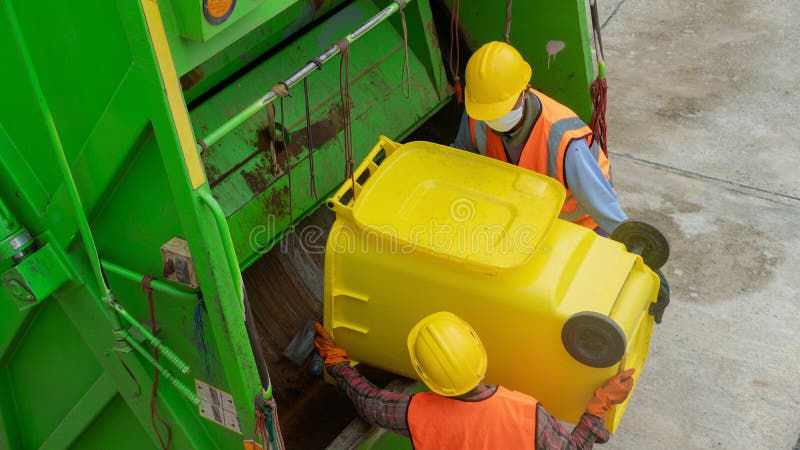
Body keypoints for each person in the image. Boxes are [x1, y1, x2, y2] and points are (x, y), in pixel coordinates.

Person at [314, 312, 635, 449]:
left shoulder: (416, 412)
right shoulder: (526, 413)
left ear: (426, 378)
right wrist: (600, 403)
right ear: (479, 355)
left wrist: (337, 364)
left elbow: (371, 404)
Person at [451, 41, 627, 235]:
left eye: (501, 108)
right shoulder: (477, 115)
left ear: (525, 90)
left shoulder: (564, 141)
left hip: (577, 229)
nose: (494, 117)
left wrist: (631, 243)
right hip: (521, 219)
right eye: (488, 111)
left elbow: (604, 207)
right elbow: (459, 166)